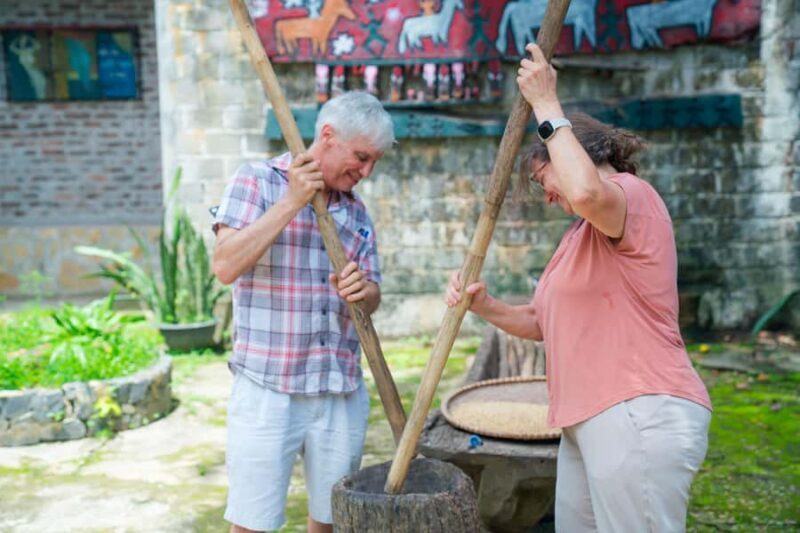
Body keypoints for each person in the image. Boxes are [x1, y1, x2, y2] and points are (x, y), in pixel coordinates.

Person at [445, 43, 712, 532]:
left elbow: (585, 190)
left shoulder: (632, 198)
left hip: (638, 409)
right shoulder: (578, 238)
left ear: (581, 153)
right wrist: (484, 305)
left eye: (546, 177)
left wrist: (547, 105)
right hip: (586, 422)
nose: (548, 195)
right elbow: (543, 323)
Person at [212, 91, 394, 533]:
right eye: (361, 157)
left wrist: (362, 294)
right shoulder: (256, 181)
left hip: (339, 387)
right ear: (328, 136)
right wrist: (293, 201)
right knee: (252, 524)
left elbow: (373, 294)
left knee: (331, 522)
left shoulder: (357, 212)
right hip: (268, 386)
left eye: (374, 162)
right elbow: (225, 265)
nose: (366, 172)